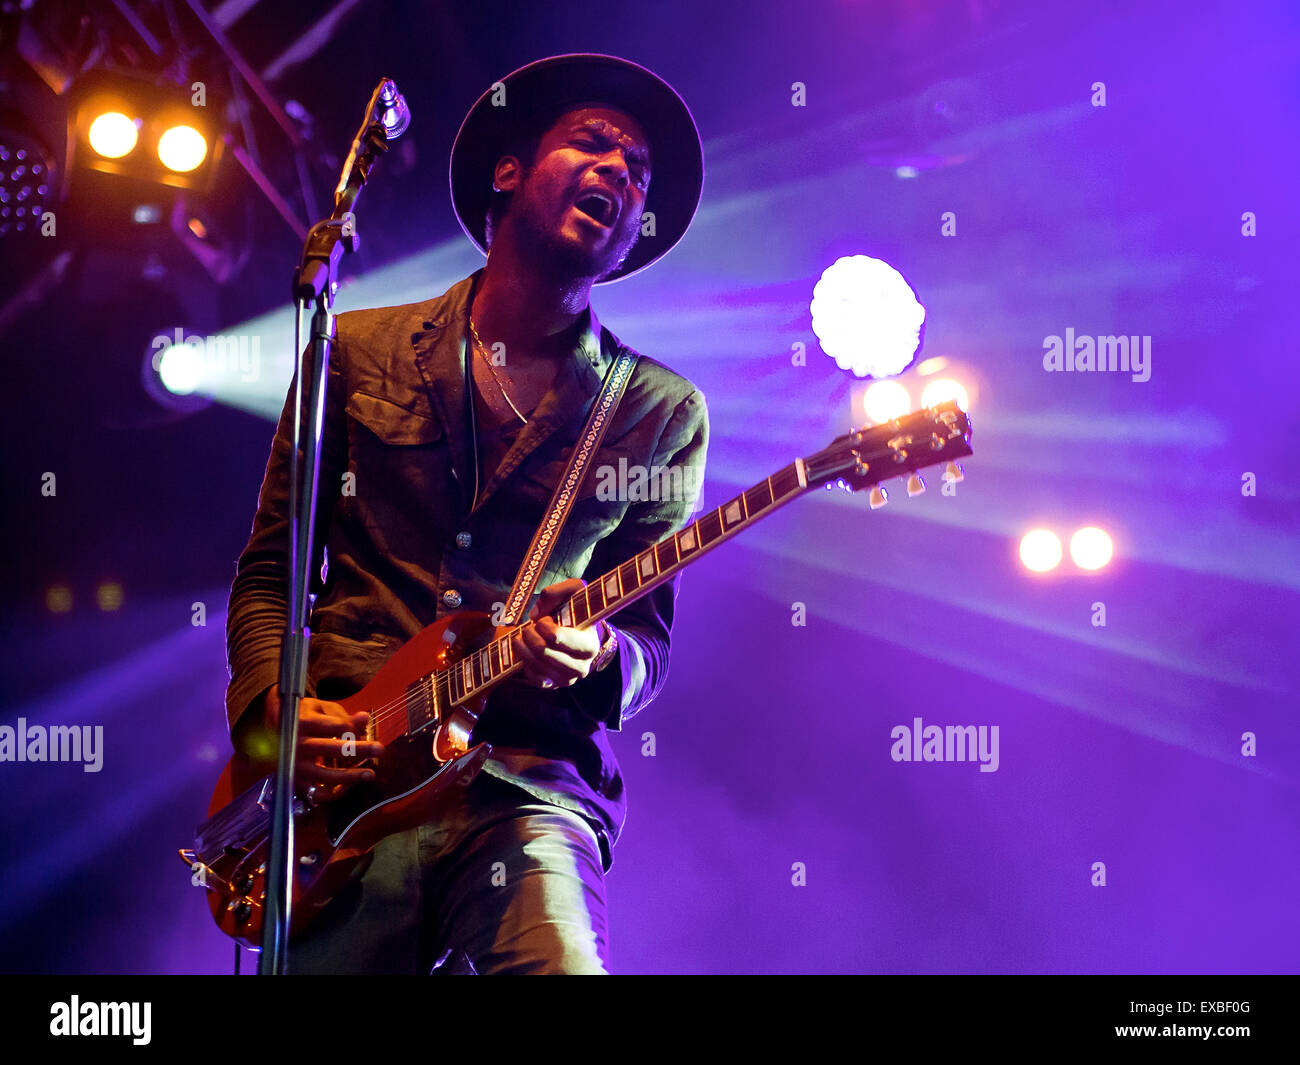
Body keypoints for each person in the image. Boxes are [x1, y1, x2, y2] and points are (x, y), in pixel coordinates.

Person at [223, 54, 708, 974]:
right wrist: (272, 716)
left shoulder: (657, 410)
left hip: (528, 779)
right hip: (346, 790)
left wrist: (597, 655)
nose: (619, 171)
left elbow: (648, 641)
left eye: (637, 171)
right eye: (594, 144)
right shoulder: (354, 349)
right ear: (509, 171)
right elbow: (267, 572)